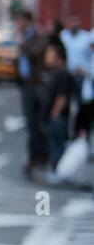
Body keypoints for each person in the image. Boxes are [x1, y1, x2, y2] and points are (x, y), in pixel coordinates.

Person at [15, 11, 51, 179]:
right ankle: (37, 157)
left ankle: (38, 158)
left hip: (36, 86)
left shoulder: (37, 37)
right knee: (31, 123)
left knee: (36, 123)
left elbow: (35, 54)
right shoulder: (22, 38)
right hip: (25, 85)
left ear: (28, 21)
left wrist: (22, 44)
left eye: (21, 21)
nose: (18, 25)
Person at [43, 42, 79, 181]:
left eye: (50, 54)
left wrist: (54, 115)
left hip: (58, 118)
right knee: (55, 145)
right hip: (56, 118)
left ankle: (58, 174)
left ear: (59, 57)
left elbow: (62, 98)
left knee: (57, 146)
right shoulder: (57, 73)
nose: (47, 57)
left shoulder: (63, 74)